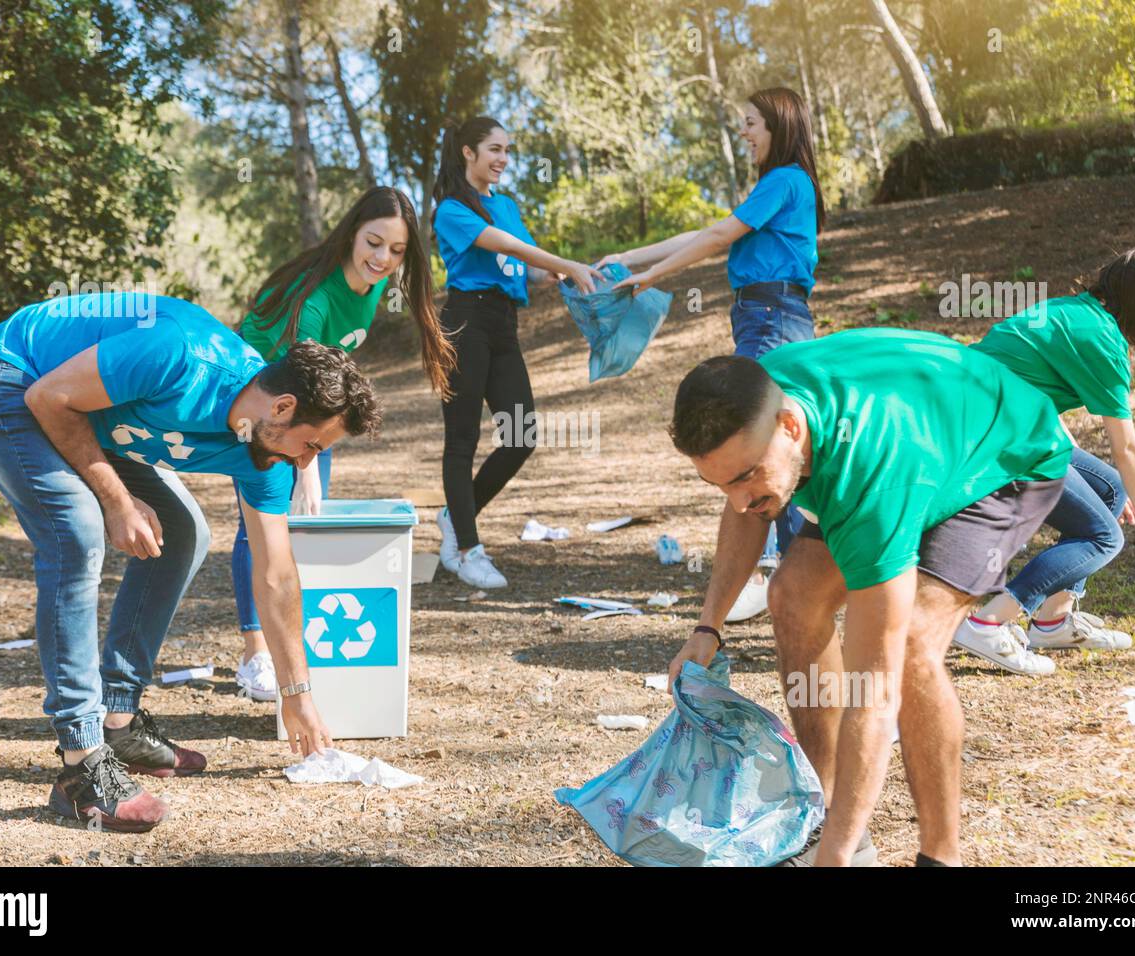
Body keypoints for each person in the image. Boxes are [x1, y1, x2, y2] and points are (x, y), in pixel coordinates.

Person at [0, 291, 379, 832]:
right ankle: (81, 762)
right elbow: (51, 397)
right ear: (283, 407)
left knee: (184, 534)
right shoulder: (180, 354)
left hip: (84, 415)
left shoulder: (267, 454)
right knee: (78, 536)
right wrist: (117, 500)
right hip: (8, 379)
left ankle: (117, 718)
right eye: (313, 445)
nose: (309, 461)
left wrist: (297, 695)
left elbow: (276, 574)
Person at [664, 329, 1071, 866]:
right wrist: (707, 627)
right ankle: (829, 816)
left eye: (746, 477)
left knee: (909, 646)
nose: (739, 503)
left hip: (1001, 458)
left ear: (790, 427)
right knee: (792, 597)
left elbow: (872, 693)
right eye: (721, 486)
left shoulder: (873, 480)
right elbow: (745, 506)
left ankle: (938, 855)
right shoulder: (760, 398)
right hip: (919, 439)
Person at [605, 87, 825, 623]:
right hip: (766, 315)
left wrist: (653, 276)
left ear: (780, 126)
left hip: (771, 317)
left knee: (761, 443)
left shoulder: (785, 180)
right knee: (777, 442)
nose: (745, 133)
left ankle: (782, 573)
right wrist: (631, 257)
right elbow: (711, 232)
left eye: (752, 123)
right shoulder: (778, 186)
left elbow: (721, 234)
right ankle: (789, 572)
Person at [231, 186, 455, 701]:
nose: (383, 259)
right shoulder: (315, 298)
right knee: (261, 521)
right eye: (374, 243)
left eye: (396, 251)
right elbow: (287, 379)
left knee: (305, 520)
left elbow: (327, 368)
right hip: (260, 403)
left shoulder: (372, 284)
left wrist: (314, 453)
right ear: (352, 231)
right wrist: (302, 460)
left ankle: (296, 640)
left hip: (310, 406)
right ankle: (255, 654)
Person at [953, 244, 1135, 673]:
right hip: (990, 430)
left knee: (1109, 489)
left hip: (992, 415)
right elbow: (1128, 447)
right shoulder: (1101, 339)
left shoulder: (1078, 313)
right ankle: (988, 621)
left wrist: (1106, 488)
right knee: (1106, 537)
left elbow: (1037, 391)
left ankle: (1053, 619)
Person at [430, 115, 603, 589]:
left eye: (507, 150)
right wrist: (559, 260)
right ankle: (468, 549)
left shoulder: (505, 204)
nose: (504, 159)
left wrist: (553, 275)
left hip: (504, 324)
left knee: (521, 433)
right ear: (468, 152)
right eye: (494, 149)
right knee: (462, 439)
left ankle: (454, 516)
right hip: (465, 321)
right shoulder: (450, 208)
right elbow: (503, 245)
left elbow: (519, 264)